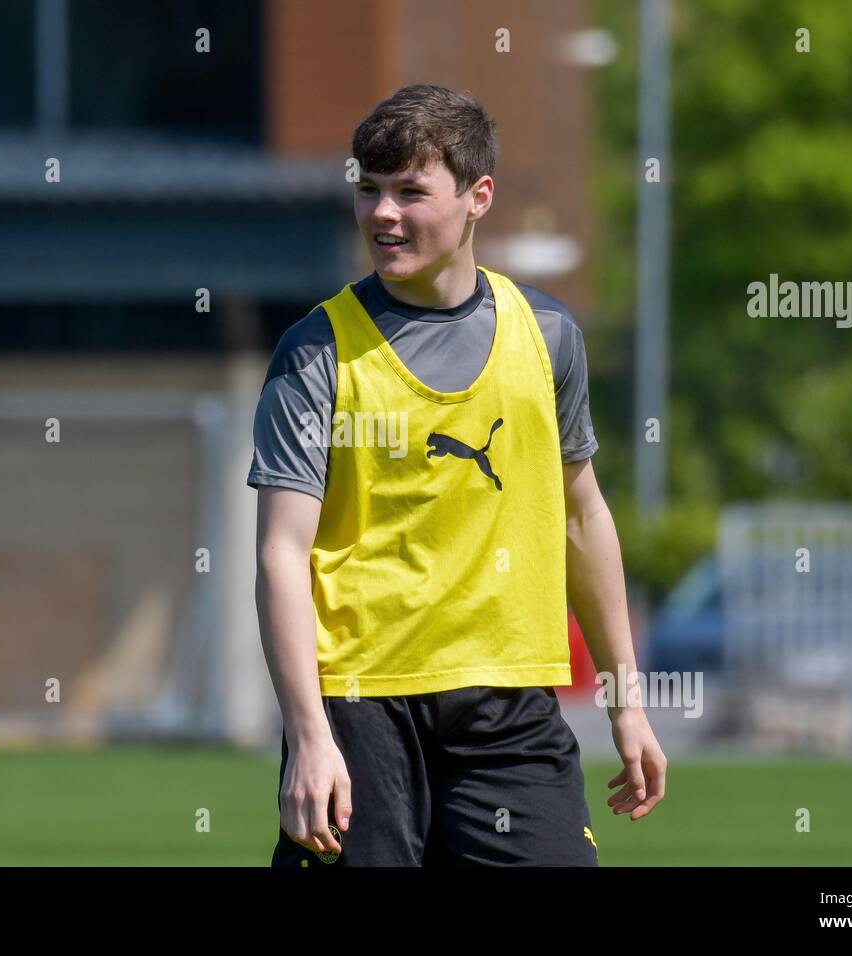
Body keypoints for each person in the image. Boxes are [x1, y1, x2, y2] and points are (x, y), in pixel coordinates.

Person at [249, 83, 666, 866]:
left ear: (479, 197)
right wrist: (309, 735)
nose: (382, 214)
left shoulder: (547, 338)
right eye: (368, 190)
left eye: (410, 192)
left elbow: (583, 517)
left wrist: (628, 706)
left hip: (508, 709)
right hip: (360, 708)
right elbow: (281, 553)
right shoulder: (315, 352)